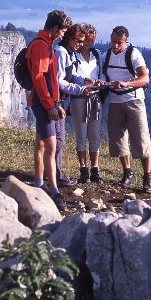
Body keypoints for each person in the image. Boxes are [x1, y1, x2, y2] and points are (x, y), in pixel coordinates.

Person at [26, 9, 72, 210]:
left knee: (42, 145)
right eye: (62, 31)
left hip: (47, 102)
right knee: (51, 146)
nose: (63, 35)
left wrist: (57, 103)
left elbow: (50, 80)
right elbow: (39, 78)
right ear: (55, 28)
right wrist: (50, 106)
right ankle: (54, 190)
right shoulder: (41, 46)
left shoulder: (46, 44)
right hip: (41, 102)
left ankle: (38, 182)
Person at [102, 25, 151, 194]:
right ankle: (127, 173)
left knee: (141, 138)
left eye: (120, 43)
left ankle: (147, 178)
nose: (116, 46)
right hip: (115, 100)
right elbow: (103, 75)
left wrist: (127, 83)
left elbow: (145, 79)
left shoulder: (133, 54)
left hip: (134, 100)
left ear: (126, 41)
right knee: (119, 139)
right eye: (113, 42)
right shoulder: (106, 55)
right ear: (110, 38)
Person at [53, 25, 94, 187]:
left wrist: (84, 80)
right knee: (58, 139)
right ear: (69, 37)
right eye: (77, 40)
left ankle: (52, 172)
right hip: (55, 100)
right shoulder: (61, 52)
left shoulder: (68, 52)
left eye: (82, 41)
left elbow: (71, 74)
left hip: (60, 100)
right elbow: (59, 81)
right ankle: (56, 174)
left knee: (56, 139)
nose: (79, 44)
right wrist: (80, 90)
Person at [66, 23, 103, 183]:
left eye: (92, 39)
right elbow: (71, 76)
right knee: (81, 135)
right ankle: (83, 169)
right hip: (79, 97)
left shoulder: (97, 54)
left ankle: (95, 169)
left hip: (95, 96)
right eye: (87, 39)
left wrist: (101, 83)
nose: (89, 43)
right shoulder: (73, 56)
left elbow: (102, 73)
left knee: (94, 135)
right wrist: (84, 83)